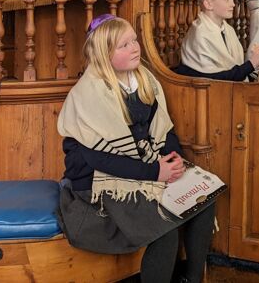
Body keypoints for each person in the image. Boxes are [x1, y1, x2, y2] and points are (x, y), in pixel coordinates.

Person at [57, 15, 217, 283]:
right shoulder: (88, 93)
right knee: (162, 228)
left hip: (144, 163)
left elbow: (163, 129)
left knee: (204, 201)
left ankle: (191, 279)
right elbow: (101, 158)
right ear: (103, 54)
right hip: (97, 180)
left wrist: (173, 158)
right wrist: (155, 172)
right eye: (124, 45)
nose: (134, 47)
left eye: (134, 40)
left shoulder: (143, 80)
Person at [175, 0, 259, 81]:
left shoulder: (228, 29)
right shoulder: (200, 33)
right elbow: (214, 79)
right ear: (209, 4)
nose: (233, 4)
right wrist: (251, 64)